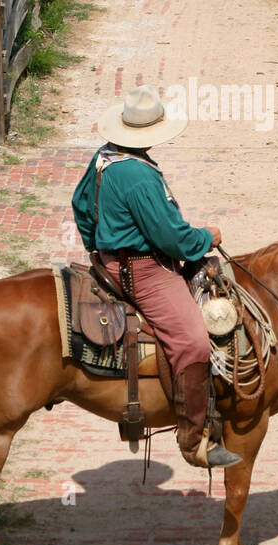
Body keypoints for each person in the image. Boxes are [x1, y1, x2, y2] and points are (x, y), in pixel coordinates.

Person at [71, 86, 242, 470]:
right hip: (144, 271)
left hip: (108, 262)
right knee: (194, 342)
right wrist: (207, 237)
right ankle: (195, 440)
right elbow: (172, 238)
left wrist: (97, 248)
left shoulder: (103, 157)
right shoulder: (139, 176)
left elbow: (80, 206)